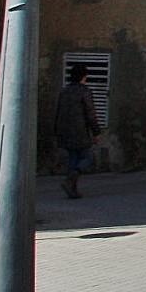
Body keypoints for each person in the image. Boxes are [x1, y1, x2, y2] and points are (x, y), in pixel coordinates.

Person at [54, 65, 101, 199]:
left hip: (65, 131)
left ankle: (72, 188)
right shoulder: (84, 92)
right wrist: (96, 131)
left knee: (73, 157)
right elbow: (90, 113)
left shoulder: (64, 91)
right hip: (80, 131)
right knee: (87, 157)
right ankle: (71, 178)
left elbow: (59, 112)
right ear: (83, 77)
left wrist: (57, 130)